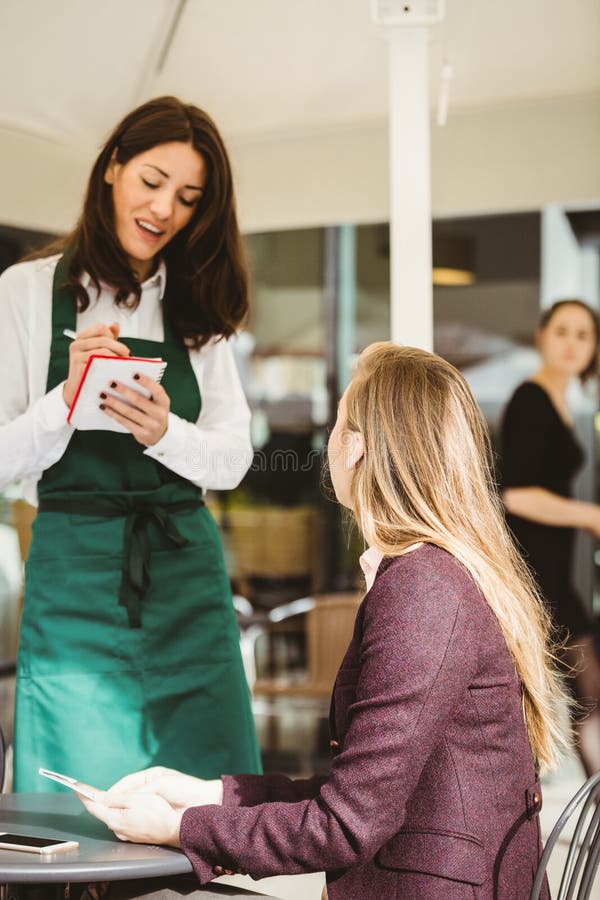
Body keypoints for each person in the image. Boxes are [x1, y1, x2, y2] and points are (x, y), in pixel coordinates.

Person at [80, 343, 568, 900]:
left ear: (356, 447)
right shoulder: (434, 577)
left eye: (337, 421)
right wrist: (205, 795)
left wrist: (177, 828)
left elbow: (346, 824)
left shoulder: (425, 592)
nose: (328, 439)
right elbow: (358, 793)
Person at [0, 96, 261, 791]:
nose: (164, 209)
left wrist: (164, 432)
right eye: (152, 181)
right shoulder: (25, 293)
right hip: (72, 578)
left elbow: (234, 458)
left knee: (197, 795)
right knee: (72, 795)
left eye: (188, 197)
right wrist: (65, 402)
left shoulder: (200, 303)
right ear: (111, 168)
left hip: (185, 575)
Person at [500, 298, 600, 777]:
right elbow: (515, 497)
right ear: (541, 337)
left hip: (553, 578)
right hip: (534, 577)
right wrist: (589, 515)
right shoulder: (530, 399)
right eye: (562, 331)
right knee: (581, 698)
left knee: (585, 698)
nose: (572, 343)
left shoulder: (559, 401)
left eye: (583, 335)